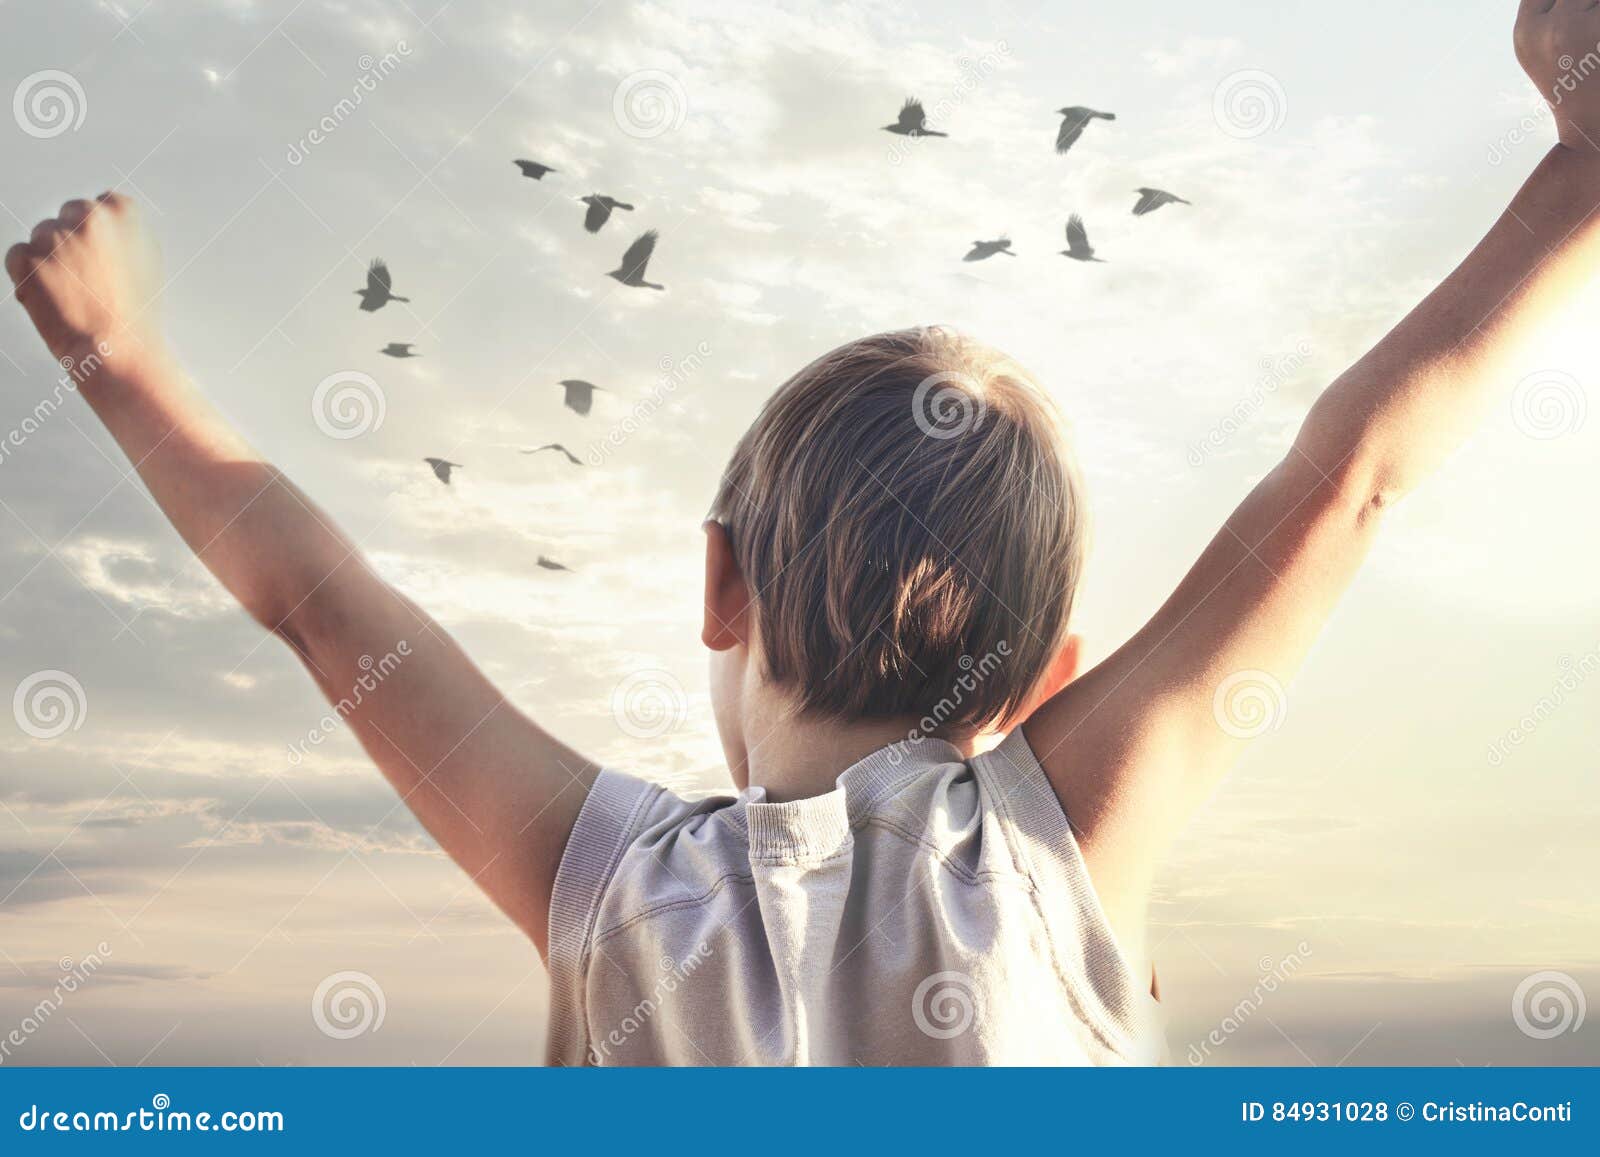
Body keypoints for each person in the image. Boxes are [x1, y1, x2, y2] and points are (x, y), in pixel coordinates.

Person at [6, 0, 1596, 1065]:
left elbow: (315, 602)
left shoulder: (610, 878)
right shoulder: (1060, 837)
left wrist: (119, 362)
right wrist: (1583, 159)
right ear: (1050, 671)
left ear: (717, 583)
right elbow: (1348, 480)